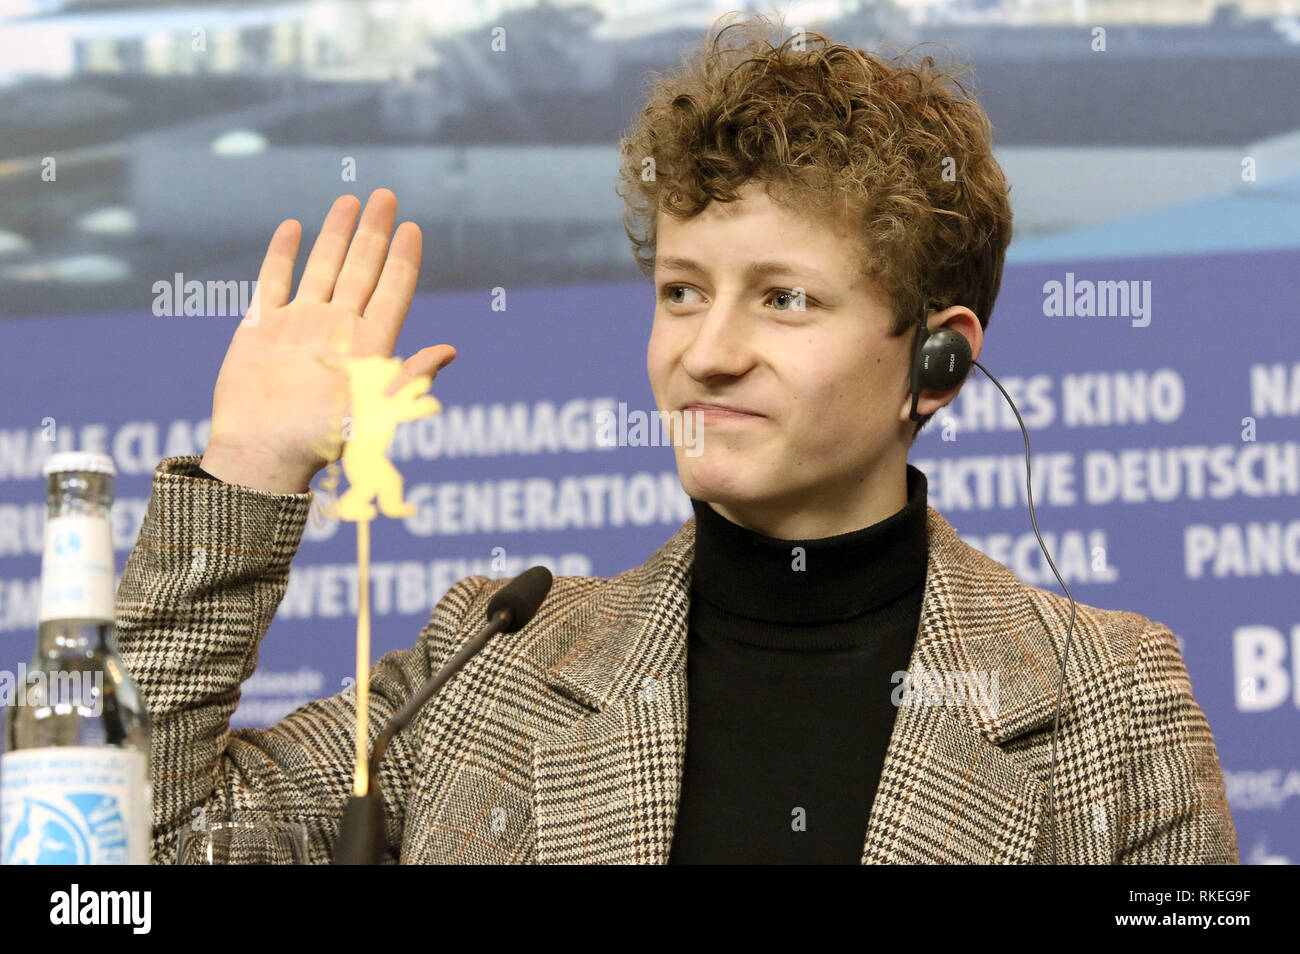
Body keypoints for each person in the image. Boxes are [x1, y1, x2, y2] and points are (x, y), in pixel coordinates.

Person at [115, 18, 1237, 864]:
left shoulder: (1114, 704)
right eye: (684, 291)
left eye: (784, 299)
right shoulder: (490, 662)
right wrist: (248, 471)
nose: (706, 352)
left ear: (933, 360)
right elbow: (126, 864)